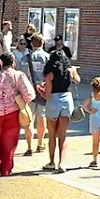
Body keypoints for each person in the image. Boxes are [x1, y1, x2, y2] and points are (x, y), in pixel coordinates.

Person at [39, 41, 79, 173]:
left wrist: (40, 90)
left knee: (52, 135)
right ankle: (62, 163)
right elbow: (78, 80)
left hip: (54, 101)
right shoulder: (68, 70)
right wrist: (73, 70)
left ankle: (51, 162)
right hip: (66, 100)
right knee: (63, 135)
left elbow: (47, 96)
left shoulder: (49, 74)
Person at [21, 35, 50, 156]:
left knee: (28, 119)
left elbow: (21, 75)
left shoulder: (25, 58)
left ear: (31, 44)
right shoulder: (47, 57)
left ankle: (29, 146)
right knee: (41, 117)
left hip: (29, 91)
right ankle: (40, 143)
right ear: (42, 43)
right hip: (43, 90)